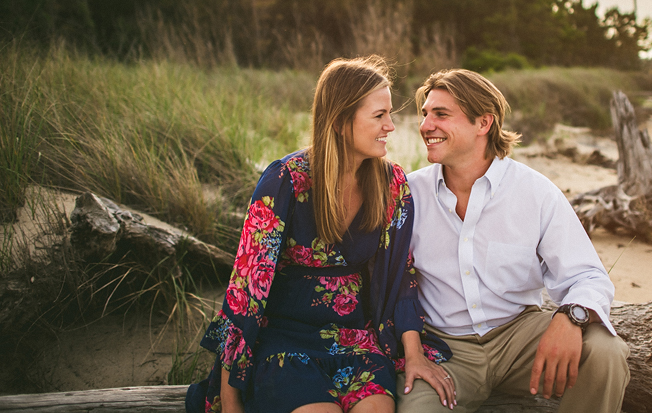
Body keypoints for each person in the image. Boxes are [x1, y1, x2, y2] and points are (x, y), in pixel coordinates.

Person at [186, 56, 454, 413]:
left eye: (390, 114)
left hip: (357, 340)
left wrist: (414, 353)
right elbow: (246, 288)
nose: (391, 126)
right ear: (341, 121)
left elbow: (400, 278)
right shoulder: (286, 180)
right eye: (379, 115)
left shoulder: (391, 185)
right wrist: (229, 398)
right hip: (285, 341)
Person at [398, 69, 630, 413]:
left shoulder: (535, 192)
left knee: (605, 352)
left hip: (520, 338)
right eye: (425, 114)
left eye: (441, 114)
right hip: (444, 349)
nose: (425, 125)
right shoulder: (408, 194)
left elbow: (588, 276)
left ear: (483, 123)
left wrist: (571, 317)